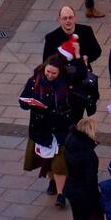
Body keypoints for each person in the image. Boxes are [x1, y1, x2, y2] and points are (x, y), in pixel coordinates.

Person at [19, 55, 72, 205]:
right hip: (41, 128)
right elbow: (23, 99)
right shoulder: (34, 81)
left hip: (59, 128)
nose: (50, 75)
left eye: (54, 73)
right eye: (48, 71)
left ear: (60, 72)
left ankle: (61, 194)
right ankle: (52, 182)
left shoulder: (66, 83)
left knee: (59, 163)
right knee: (47, 159)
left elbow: (71, 104)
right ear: (44, 68)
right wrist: (28, 103)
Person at [63, 116, 103, 220]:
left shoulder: (70, 142)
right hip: (83, 195)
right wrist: (97, 203)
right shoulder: (88, 155)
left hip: (72, 189)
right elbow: (91, 182)